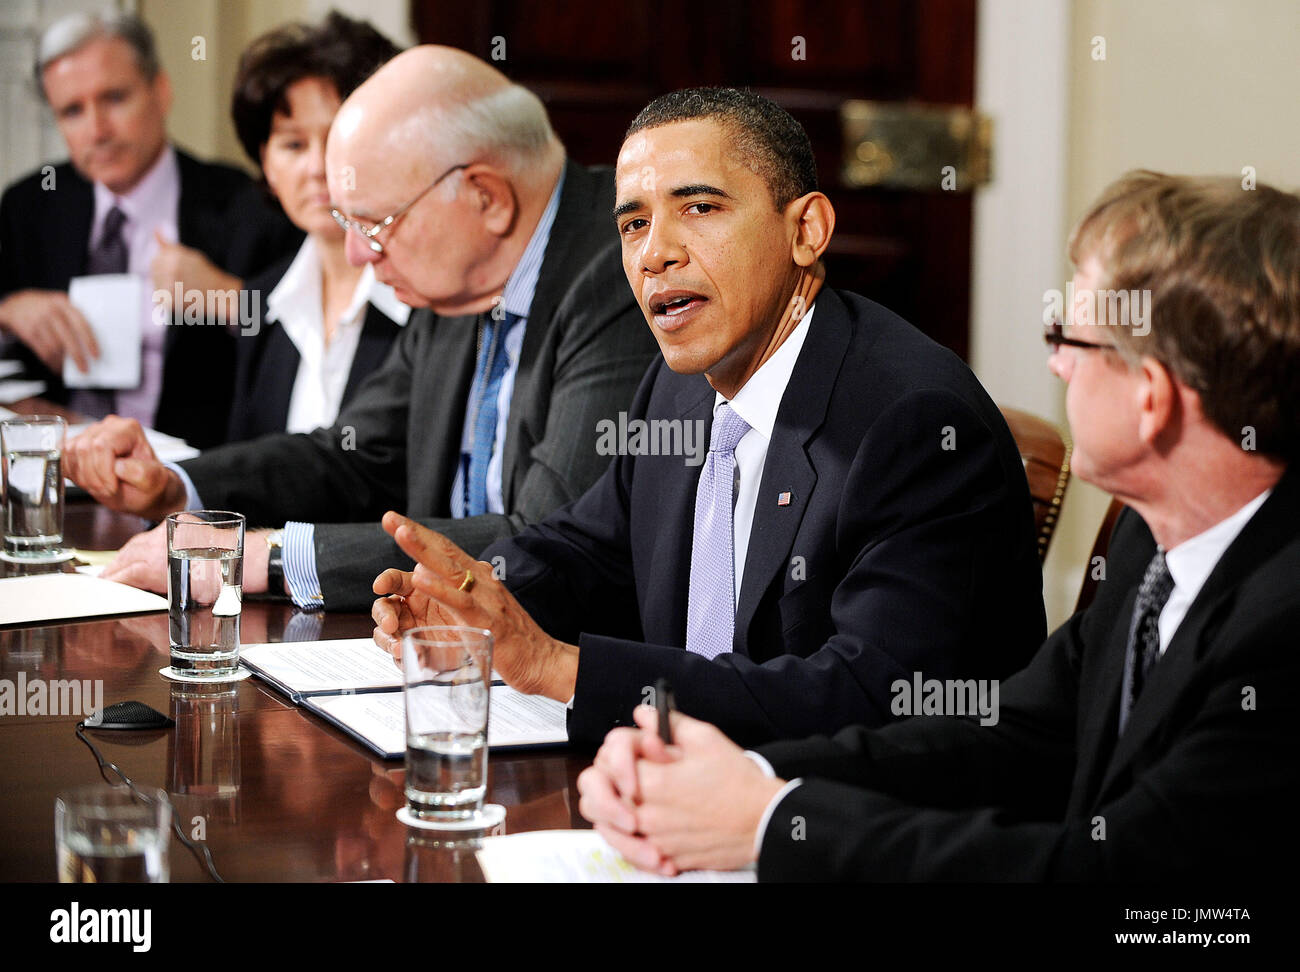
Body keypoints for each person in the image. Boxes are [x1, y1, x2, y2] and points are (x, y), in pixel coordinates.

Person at [576, 171, 1300, 881]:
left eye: (1069, 339)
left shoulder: (1282, 628)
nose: (1055, 366)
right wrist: (745, 775)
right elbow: (1019, 733)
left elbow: (1110, 875)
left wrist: (770, 824)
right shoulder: (1157, 539)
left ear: (1152, 401)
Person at [370, 88, 1046, 748]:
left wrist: (559, 669)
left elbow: (870, 694)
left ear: (805, 231)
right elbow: (586, 551)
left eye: (698, 207)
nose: (654, 253)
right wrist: (467, 593)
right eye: (633, 223)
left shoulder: (916, 424)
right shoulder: (678, 388)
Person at [62, 46, 658, 610]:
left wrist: (265, 558)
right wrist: (175, 488)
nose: (356, 254)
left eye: (374, 223)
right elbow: (355, 455)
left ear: (487, 198)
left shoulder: (621, 269)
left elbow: (547, 541)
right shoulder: (460, 273)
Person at [0, 11, 300, 447]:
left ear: (160, 91)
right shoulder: (30, 205)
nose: (97, 130)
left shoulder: (246, 205)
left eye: (115, 98)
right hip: (59, 466)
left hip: (190, 476)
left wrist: (226, 295)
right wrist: (8, 311)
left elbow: (304, 340)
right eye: (72, 111)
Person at [225, 13, 407, 441]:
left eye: (338, 138)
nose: (316, 168)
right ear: (266, 165)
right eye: (292, 144)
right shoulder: (262, 301)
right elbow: (246, 471)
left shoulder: (422, 298)